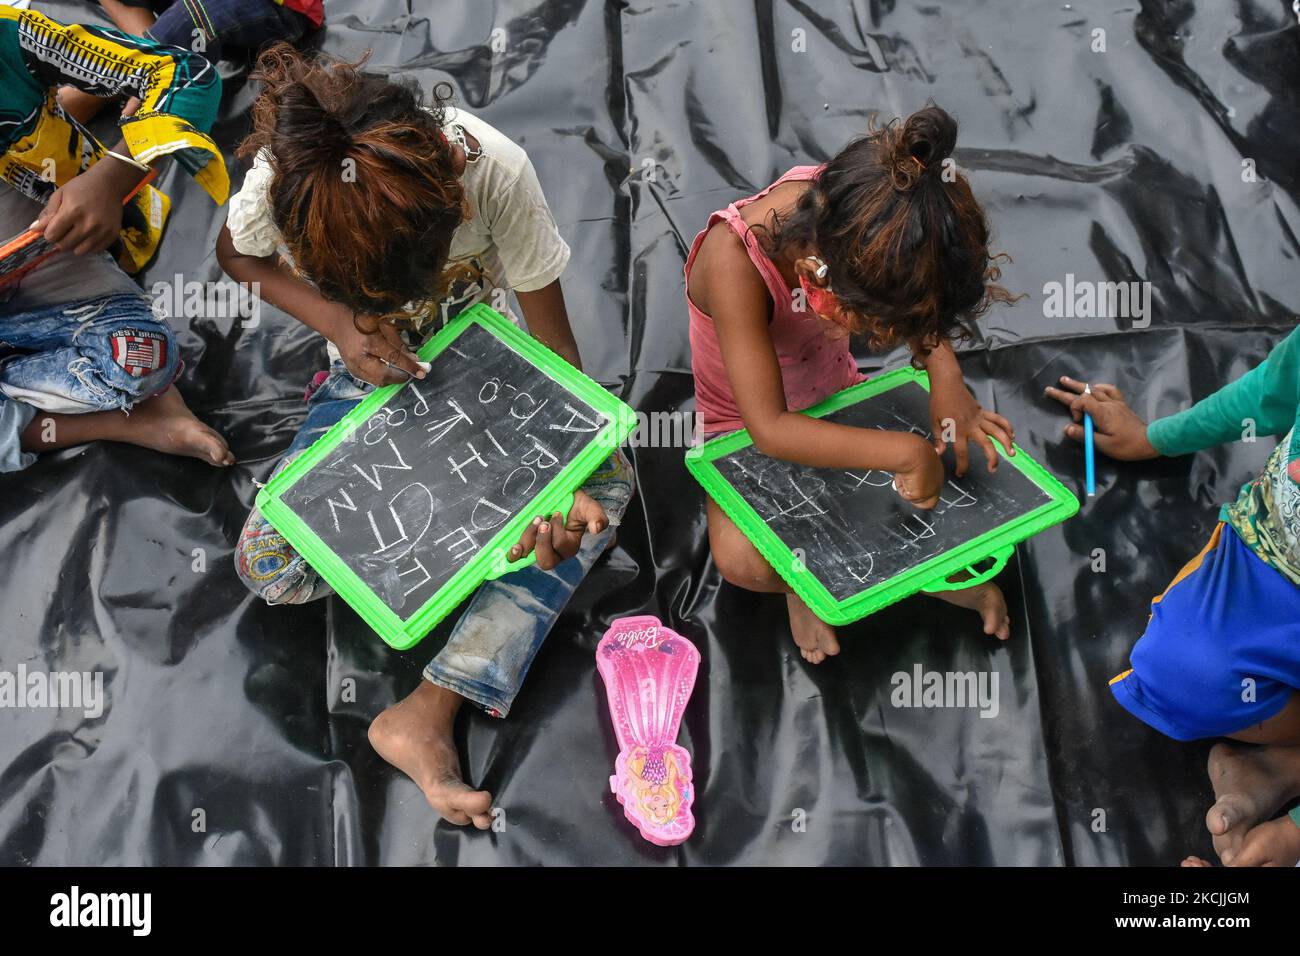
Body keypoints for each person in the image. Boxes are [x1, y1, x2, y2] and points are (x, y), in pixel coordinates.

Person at [217, 45, 633, 828]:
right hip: (370, 370)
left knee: (601, 495)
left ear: (451, 188)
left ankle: (432, 705)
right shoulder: (291, 179)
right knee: (269, 565)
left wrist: (557, 478)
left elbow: (559, 359)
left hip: (497, 380)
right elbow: (235, 254)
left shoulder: (494, 172)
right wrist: (342, 326)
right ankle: (464, 543)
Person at [686, 105, 1019, 664]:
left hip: (840, 393)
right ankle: (813, 584)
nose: (889, 336)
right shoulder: (734, 261)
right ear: (822, 282)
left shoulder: (866, 212)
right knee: (742, 562)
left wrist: (948, 379)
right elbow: (769, 429)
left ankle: (859, 575)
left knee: (955, 472)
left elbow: (918, 298)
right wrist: (907, 453)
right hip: (744, 428)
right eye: (879, 325)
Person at [1046, 329, 1300, 868]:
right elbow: (1270, 394)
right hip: (1273, 561)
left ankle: (1284, 770)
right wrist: (1153, 437)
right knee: (1179, 671)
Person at [0, 7, 233, 472]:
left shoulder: (12, 37)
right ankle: (120, 423)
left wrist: (111, 178)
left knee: (142, 357)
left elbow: (185, 73)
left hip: (44, 263)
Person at [58, 0, 324, 125]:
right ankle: (154, 58)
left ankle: (112, 93)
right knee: (182, 22)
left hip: (279, 9)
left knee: (192, 17)